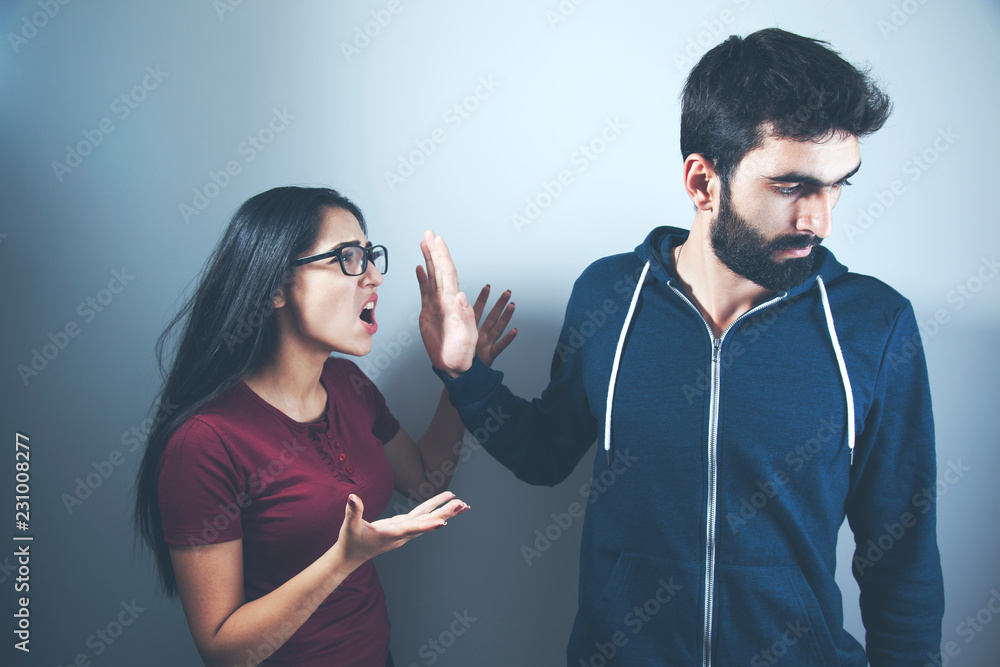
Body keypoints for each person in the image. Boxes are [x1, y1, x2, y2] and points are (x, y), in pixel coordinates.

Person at [419, 28, 943, 665]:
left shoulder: (873, 325)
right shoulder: (609, 294)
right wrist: (464, 375)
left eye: (838, 186)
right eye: (790, 188)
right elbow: (547, 454)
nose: (820, 221)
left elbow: (902, 555)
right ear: (702, 183)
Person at [133, 186, 516, 666]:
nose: (375, 276)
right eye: (348, 258)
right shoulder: (204, 442)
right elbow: (223, 651)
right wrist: (344, 559)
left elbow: (425, 480)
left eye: (371, 256)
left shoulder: (347, 383)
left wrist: (460, 374)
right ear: (274, 287)